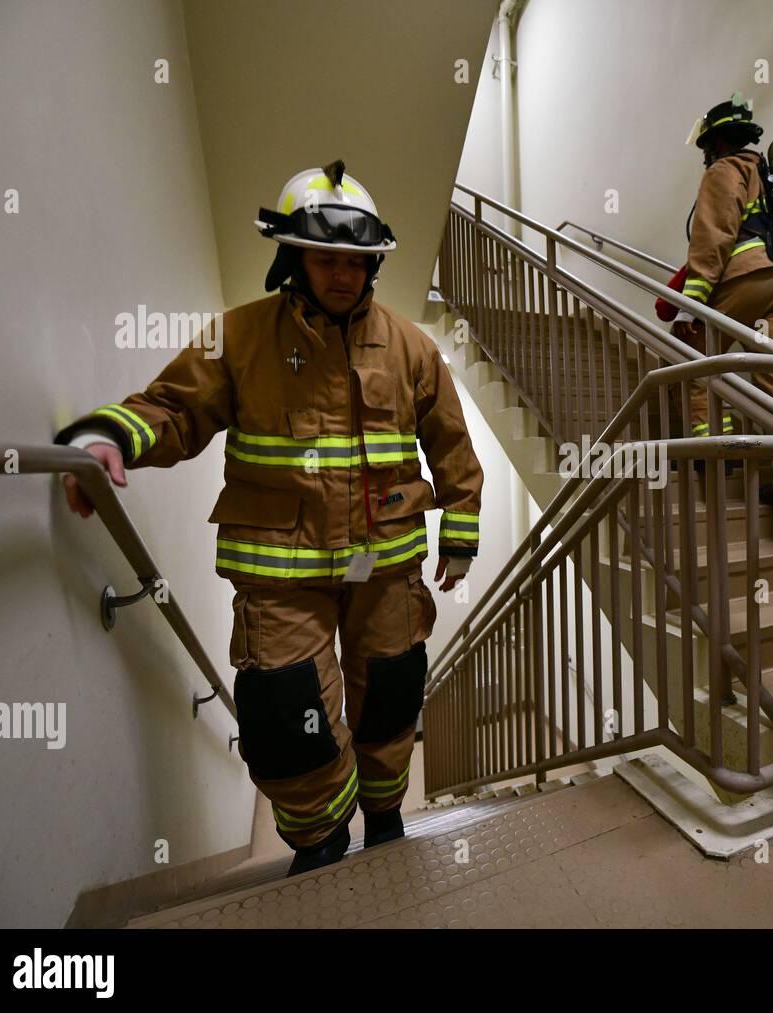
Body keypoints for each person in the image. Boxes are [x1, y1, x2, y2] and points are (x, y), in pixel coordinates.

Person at [56, 161, 484, 875]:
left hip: (389, 575)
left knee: (391, 701)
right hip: (280, 584)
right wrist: (110, 436)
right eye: (326, 258)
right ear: (293, 257)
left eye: (357, 260)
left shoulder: (412, 347)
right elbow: (173, 409)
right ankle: (320, 844)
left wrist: (460, 536)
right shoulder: (242, 339)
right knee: (287, 718)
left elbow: (451, 446)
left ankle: (383, 823)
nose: (344, 274)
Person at [674, 94, 773, 521]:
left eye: (706, 147)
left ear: (715, 144)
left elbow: (713, 235)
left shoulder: (725, 170)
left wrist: (691, 305)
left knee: (693, 358)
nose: (704, 155)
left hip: (746, 279)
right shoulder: (769, 171)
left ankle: (716, 451)